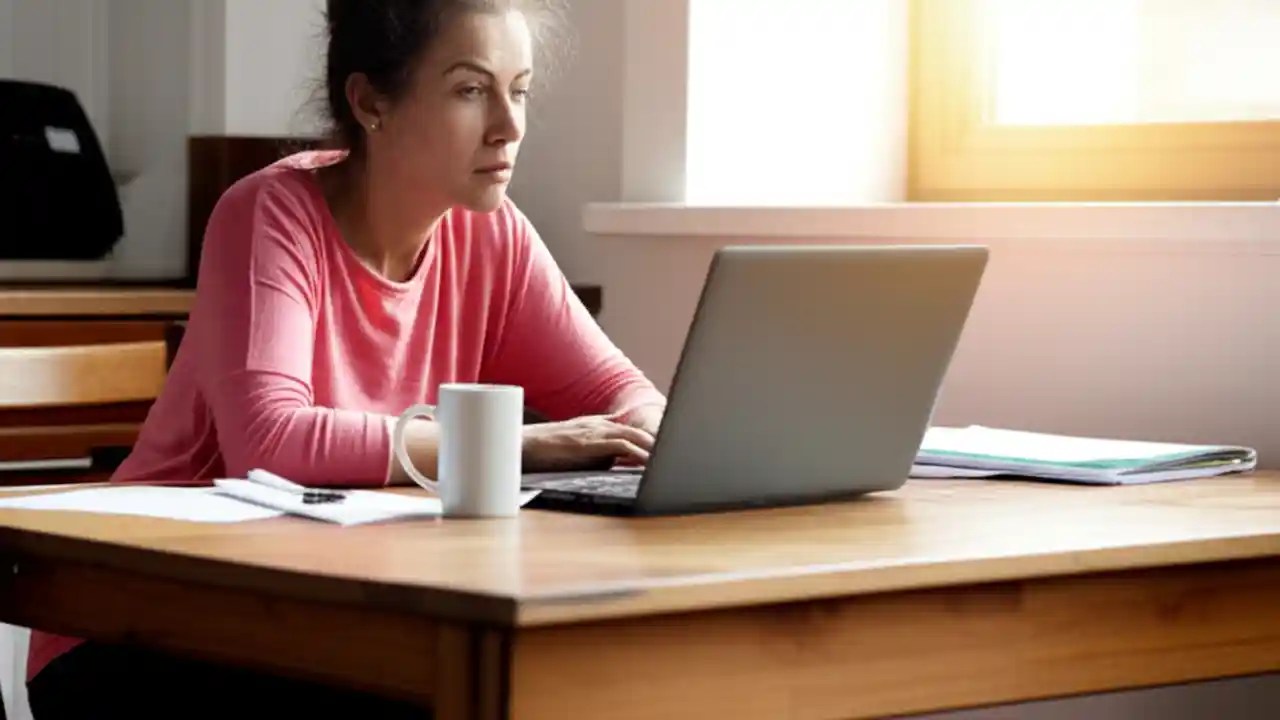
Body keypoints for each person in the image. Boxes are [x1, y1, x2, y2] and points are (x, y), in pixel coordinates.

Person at [24, 0, 665, 716]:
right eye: (470, 89)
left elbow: (620, 391)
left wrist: (656, 433)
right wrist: (518, 446)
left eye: (519, 91)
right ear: (370, 103)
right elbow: (271, 440)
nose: (508, 126)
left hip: (331, 618)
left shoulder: (496, 238)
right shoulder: (269, 214)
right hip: (140, 626)